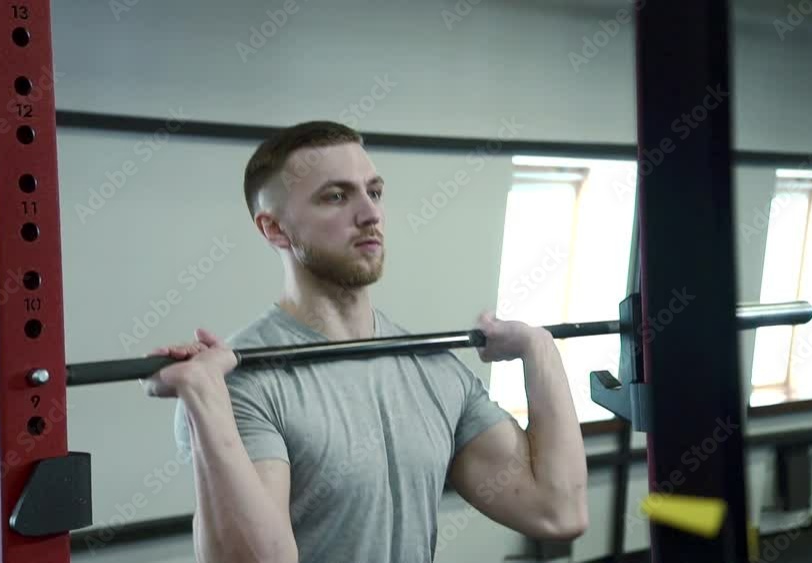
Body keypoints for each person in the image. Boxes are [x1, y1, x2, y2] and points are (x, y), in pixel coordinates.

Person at [140, 121, 588, 563]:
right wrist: (202, 398)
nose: (370, 214)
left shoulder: (434, 371)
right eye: (336, 196)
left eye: (373, 191)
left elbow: (557, 512)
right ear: (274, 229)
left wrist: (539, 350)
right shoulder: (241, 386)